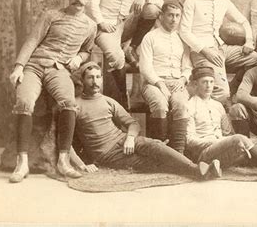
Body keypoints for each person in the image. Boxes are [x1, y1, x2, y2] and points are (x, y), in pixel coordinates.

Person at [8, 0, 97, 183]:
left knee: (69, 103)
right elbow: (32, 40)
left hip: (59, 70)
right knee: (24, 102)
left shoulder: (90, 26)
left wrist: (78, 58)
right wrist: (19, 67)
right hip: (35, 66)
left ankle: (63, 161)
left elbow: (87, 50)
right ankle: (21, 163)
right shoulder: (51, 15)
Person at [70, 62, 206, 179]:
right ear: (82, 81)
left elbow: (132, 123)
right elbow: (65, 142)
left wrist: (129, 138)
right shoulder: (75, 106)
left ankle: (196, 169)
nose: (95, 82)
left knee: (155, 146)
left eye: (98, 77)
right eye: (90, 78)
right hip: (106, 153)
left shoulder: (107, 101)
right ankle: (197, 171)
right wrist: (81, 164)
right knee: (149, 163)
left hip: (124, 139)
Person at [88, 0, 163, 103]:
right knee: (116, 56)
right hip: (106, 25)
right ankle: (123, 95)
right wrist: (101, 22)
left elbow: (159, 1)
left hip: (125, 24)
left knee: (152, 10)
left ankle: (132, 47)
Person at [180, 0, 257, 107]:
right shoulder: (192, 0)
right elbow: (184, 31)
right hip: (201, 51)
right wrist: (205, 51)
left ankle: (234, 91)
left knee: (254, 59)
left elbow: (244, 22)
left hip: (221, 49)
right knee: (221, 92)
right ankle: (213, 116)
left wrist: (249, 40)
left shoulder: (223, 0)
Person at [185, 67, 257, 178]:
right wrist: (219, 142)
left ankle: (224, 163)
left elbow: (228, 133)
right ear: (195, 84)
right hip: (205, 153)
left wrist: (229, 141)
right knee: (238, 139)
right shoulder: (189, 106)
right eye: (204, 82)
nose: (208, 85)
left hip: (226, 147)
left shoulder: (217, 105)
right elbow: (189, 141)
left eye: (211, 82)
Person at [139, 0, 191, 152]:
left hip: (177, 83)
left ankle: (179, 151)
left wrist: (183, 79)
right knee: (160, 105)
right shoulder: (150, 37)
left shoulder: (182, 39)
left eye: (177, 16)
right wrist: (160, 84)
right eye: (170, 15)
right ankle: (160, 151)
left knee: (181, 105)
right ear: (161, 16)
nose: (174, 19)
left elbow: (187, 66)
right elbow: (145, 67)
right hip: (153, 83)